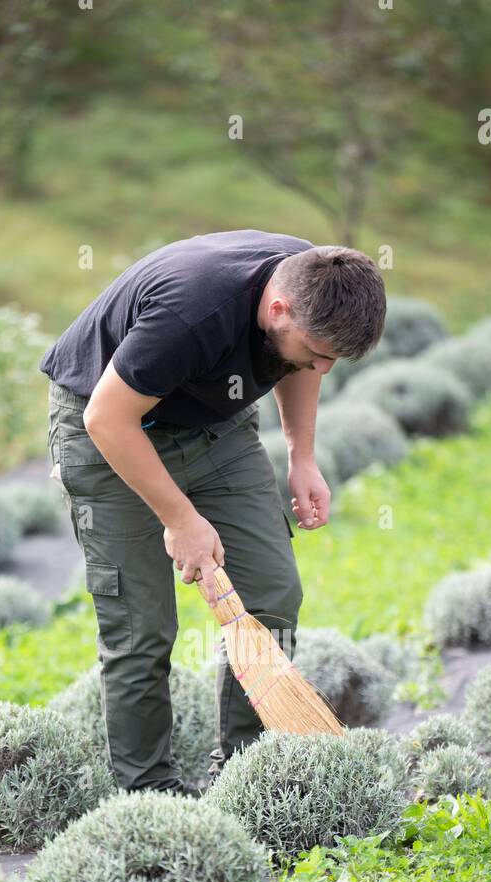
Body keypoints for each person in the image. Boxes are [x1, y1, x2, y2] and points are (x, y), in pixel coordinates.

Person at [41, 229, 386, 792]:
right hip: (108, 430)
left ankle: (243, 773)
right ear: (278, 309)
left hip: (214, 427)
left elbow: (298, 367)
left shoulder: (317, 277)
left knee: (272, 595)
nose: (323, 369)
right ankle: (149, 794)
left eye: (334, 361)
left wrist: (302, 456)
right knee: (142, 628)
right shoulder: (191, 312)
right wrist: (181, 520)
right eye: (319, 354)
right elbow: (107, 419)